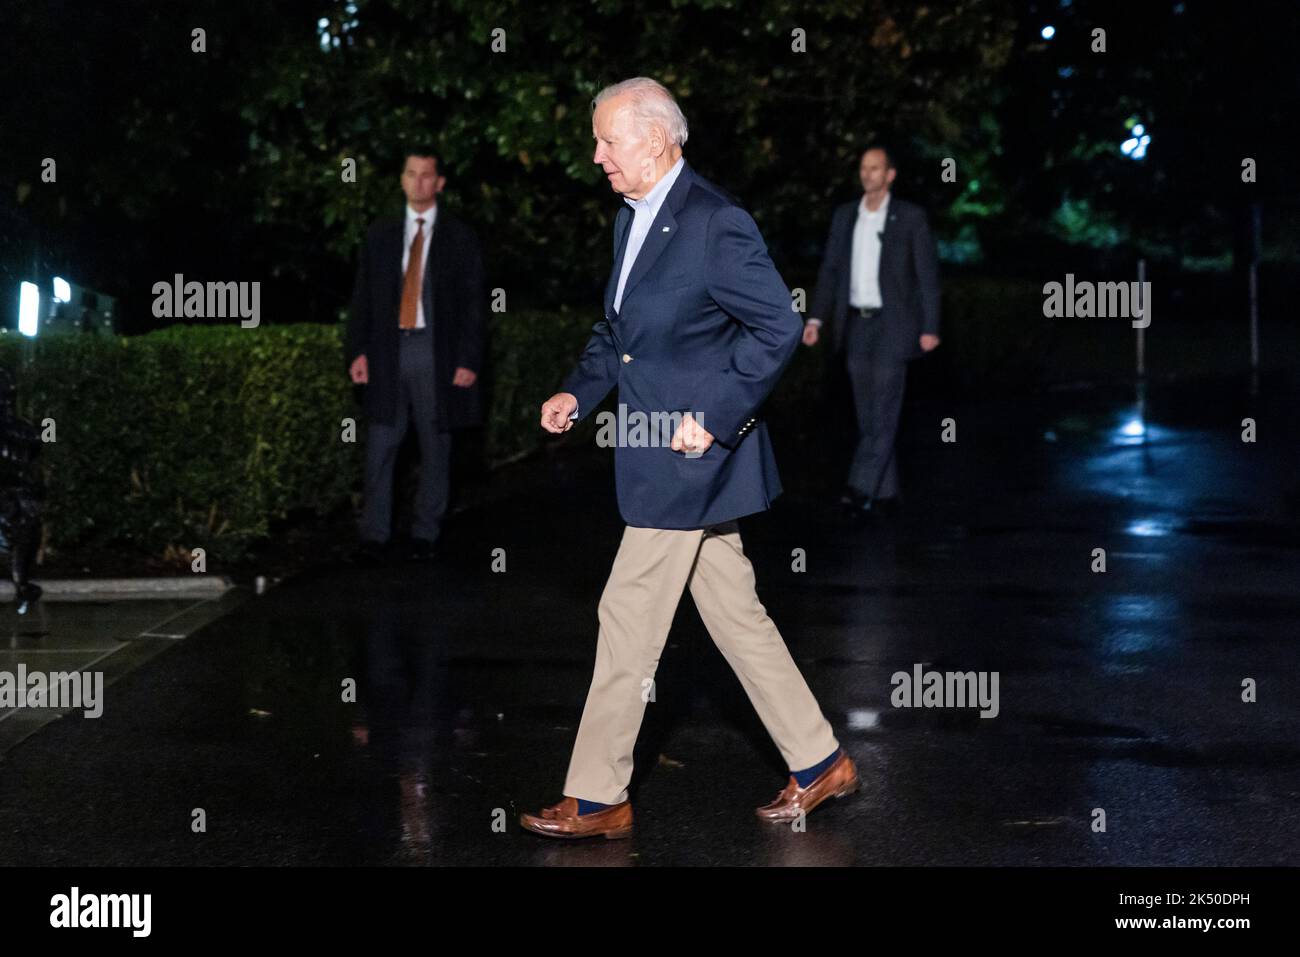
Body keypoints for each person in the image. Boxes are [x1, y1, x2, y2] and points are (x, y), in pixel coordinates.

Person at [522, 78, 858, 840]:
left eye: (608, 140)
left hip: (692, 458)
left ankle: (599, 794)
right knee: (737, 617)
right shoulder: (628, 221)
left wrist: (713, 419)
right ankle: (819, 759)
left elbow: (777, 324)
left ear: (658, 138)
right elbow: (619, 336)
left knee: (626, 614)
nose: (597, 155)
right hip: (654, 455)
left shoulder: (715, 221)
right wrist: (577, 393)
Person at [344, 149, 486, 563]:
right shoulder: (381, 234)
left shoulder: (459, 237)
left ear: (439, 183)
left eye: (427, 175)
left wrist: (468, 360)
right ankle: (375, 534)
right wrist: (357, 351)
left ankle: (426, 532)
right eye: (412, 174)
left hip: (435, 351)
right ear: (402, 179)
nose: (419, 182)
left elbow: (475, 305)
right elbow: (363, 298)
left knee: (435, 443)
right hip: (389, 350)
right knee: (381, 443)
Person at [804, 145, 941, 514]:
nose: (868, 174)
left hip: (894, 327)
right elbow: (830, 270)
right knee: (868, 412)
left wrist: (930, 326)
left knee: (884, 408)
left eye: (875, 168)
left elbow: (927, 276)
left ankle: (859, 486)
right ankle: (886, 491)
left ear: (890, 175)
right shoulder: (846, 217)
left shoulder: (910, 218)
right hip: (856, 325)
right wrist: (816, 318)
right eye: (864, 167)